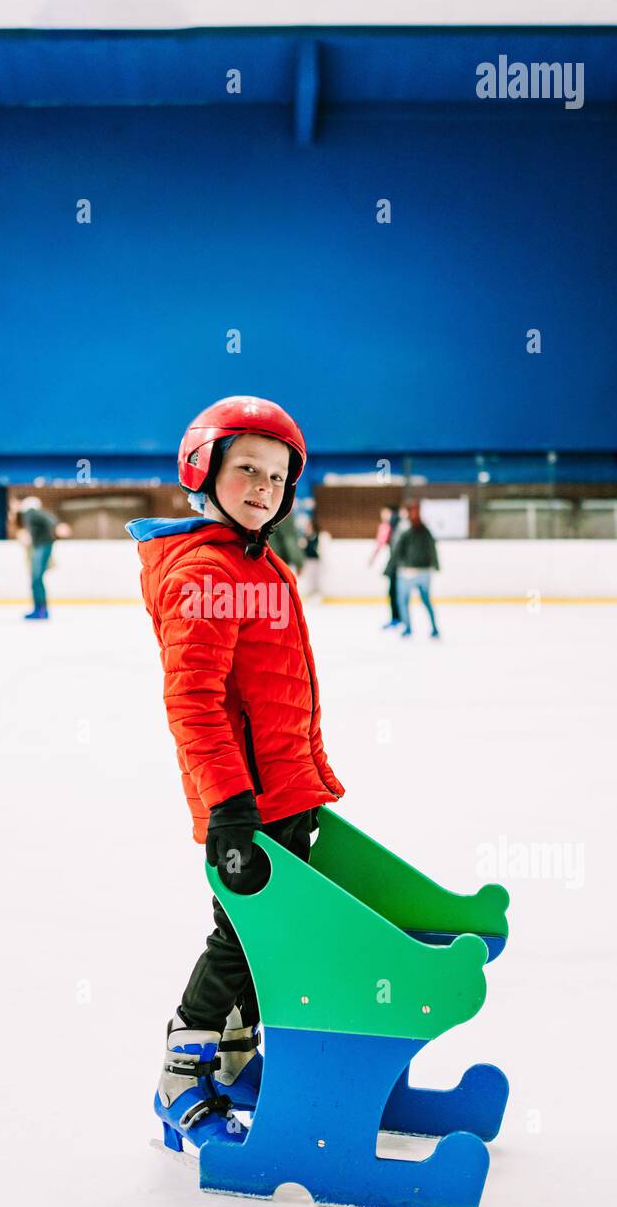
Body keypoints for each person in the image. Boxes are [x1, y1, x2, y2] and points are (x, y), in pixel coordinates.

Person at [126, 395, 345, 1152]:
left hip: (283, 791)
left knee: (269, 941)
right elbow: (193, 700)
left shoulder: (257, 561)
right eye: (247, 467)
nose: (264, 486)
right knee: (241, 938)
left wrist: (311, 777)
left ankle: (236, 1053)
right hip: (246, 801)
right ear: (205, 469)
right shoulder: (208, 570)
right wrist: (229, 806)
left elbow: (275, 690)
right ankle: (180, 1074)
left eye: (278, 476)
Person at [11, 495, 72, 620]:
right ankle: (39, 608)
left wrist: (57, 526)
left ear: (19, 502)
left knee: (36, 578)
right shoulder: (25, 514)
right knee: (36, 578)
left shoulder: (30, 511)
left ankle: (41, 610)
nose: (11, 506)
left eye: (12, 503)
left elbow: (46, 517)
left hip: (42, 546)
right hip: (40, 546)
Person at [394, 500, 440, 638]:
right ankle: (409, 627)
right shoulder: (410, 531)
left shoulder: (420, 531)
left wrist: (435, 564)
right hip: (410, 571)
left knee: (420, 601)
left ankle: (432, 628)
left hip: (418, 571)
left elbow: (432, 548)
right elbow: (399, 551)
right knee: (405, 601)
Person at [368, 506, 401, 627]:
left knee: (394, 591)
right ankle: (398, 618)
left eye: (385, 512)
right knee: (396, 591)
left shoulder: (390, 526)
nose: (383, 515)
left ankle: (397, 618)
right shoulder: (397, 525)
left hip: (397, 565)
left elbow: (380, 542)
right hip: (398, 564)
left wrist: (372, 558)